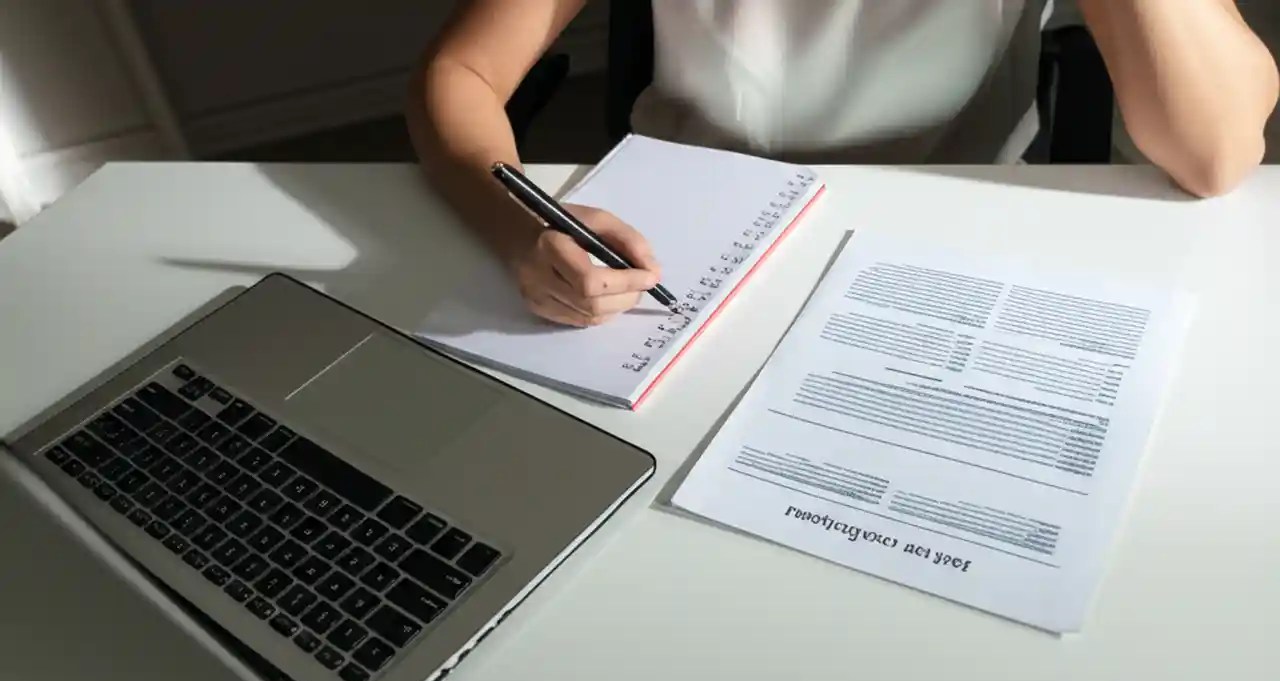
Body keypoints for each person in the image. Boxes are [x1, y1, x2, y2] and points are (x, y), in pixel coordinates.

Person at [406, 0, 1278, 328]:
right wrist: (521, 226)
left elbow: (1216, 152)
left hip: (944, 264)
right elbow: (463, 73)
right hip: (680, 257)